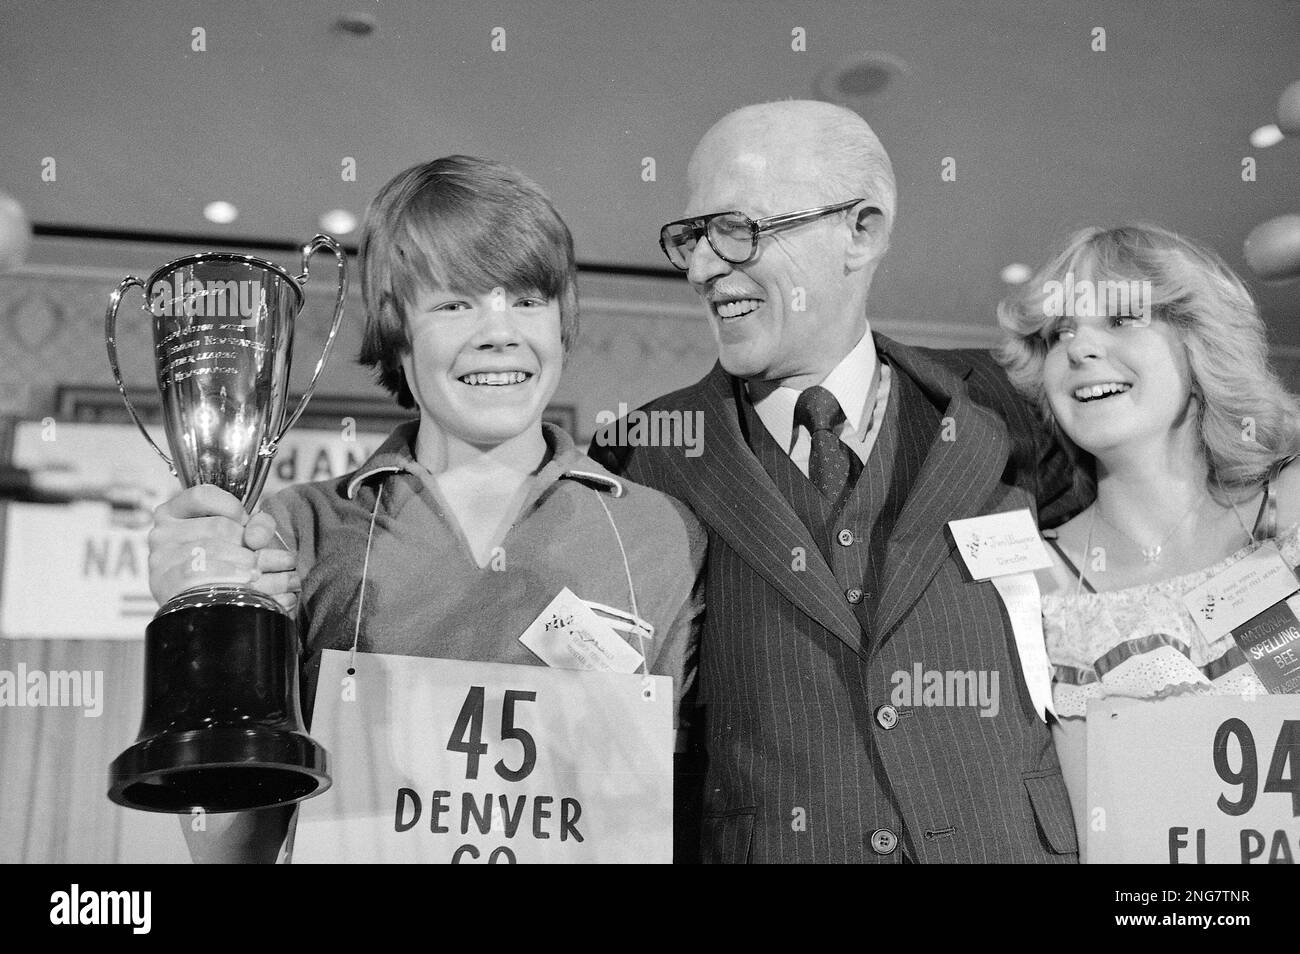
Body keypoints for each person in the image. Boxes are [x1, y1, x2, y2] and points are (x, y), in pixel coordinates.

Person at [147, 155, 705, 863]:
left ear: (562, 322)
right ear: (397, 330)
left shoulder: (659, 534)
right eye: (456, 302)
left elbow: (675, 812)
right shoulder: (296, 533)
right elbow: (233, 852)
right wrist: (206, 632)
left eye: (527, 300)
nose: (501, 331)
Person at [590, 100, 1089, 863]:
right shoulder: (637, 455)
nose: (700, 267)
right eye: (690, 236)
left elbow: (1116, 562)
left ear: (863, 230)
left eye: (737, 229)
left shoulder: (1004, 407)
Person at [997, 223, 1300, 858]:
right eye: (1059, 333)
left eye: (1122, 319)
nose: (1080, 349)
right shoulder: (1028, 581)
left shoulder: (1292, 512)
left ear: (1200, 345)